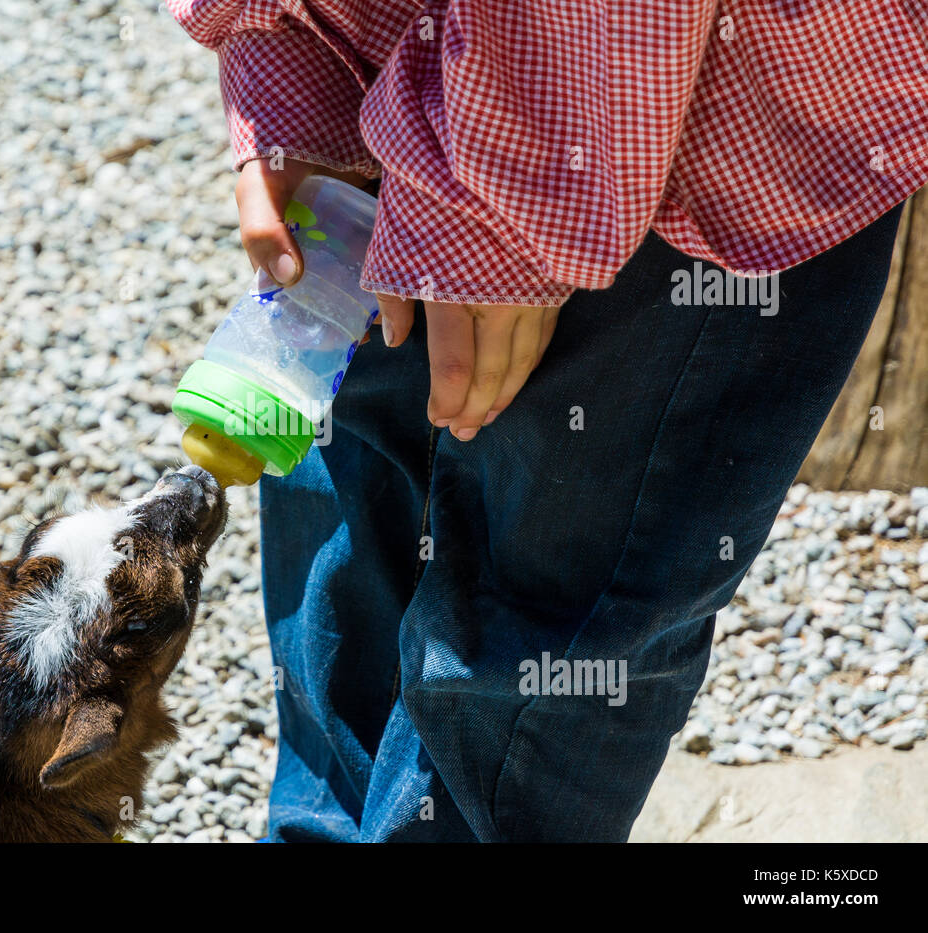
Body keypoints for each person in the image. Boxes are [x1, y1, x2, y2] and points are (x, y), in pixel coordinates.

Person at [168, 0, 928, 841]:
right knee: (429, 598)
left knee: (505, 646)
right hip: (443, 89)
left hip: (664, 134)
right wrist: (289, 72)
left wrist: (500, 213)